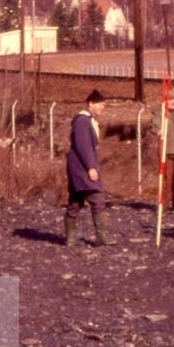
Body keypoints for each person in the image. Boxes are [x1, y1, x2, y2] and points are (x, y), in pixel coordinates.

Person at [64, 89, 117, 247]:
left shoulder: (85, 120)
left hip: (77, 167)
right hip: (82, 167)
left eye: (104, 105)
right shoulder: (82, 121)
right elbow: (83, 147)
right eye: (100, 104)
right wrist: (91, 167)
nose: (102, 107)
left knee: (75, 201)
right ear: (90, 104)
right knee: (98, 198)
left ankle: (71, 240)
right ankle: (101, 236)